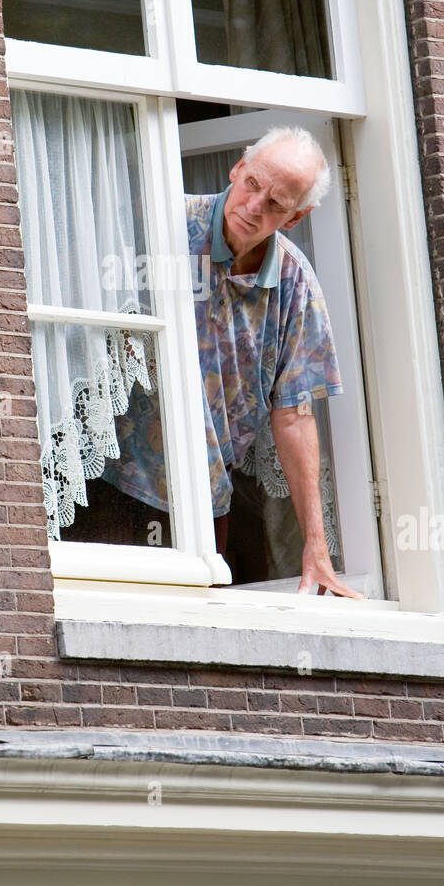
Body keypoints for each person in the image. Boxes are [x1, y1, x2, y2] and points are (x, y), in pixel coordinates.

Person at [104, 125, 363, 599]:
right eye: (252, 185)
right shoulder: (161, 225)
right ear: (239, 166)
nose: (253, 206)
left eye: (276, 204)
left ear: (296, 216)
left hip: (204, 503)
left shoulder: (294, 282)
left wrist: (315, 544)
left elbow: (294, 413)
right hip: (113, 480)